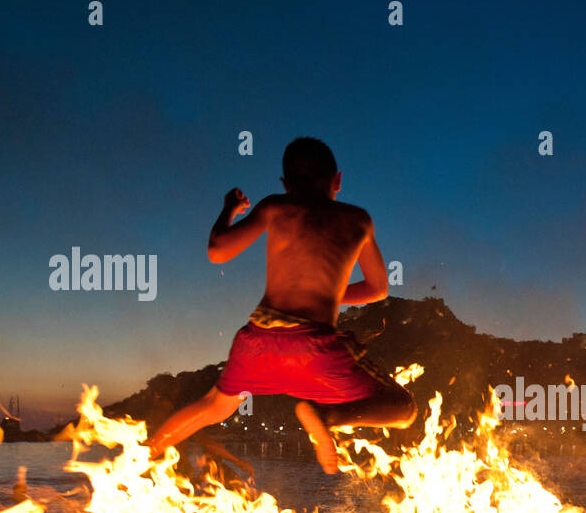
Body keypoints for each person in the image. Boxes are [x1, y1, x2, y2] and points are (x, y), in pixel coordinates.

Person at [148, 137, 416, 475]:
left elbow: (217, 251)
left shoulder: (275, 206)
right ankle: (326, 417)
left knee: (213, 406)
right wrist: (332, 294)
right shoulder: (358, 219)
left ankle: (142, 458)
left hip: (258, 338)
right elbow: (378, 289)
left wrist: (229, 208)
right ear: (338, 181)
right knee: (401, 406)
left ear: (286, 184)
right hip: (315, 348)